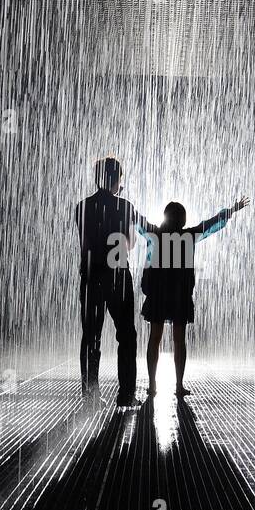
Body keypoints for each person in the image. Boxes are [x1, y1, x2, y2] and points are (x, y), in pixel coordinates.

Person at [141, 196, 251, 397]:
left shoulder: (155, 234)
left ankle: (152, 384)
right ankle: (179, 385)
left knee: (154, 338)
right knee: (179, 340)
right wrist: (232, 209)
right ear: (182, 220)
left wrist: (123, 207)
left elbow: (138, 222)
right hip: (179, 294)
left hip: (158, 293)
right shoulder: (189, 236)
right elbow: (209, 223)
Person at [72, 157, 158, 407]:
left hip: (91, 276)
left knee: (91, 337)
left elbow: (87, 243)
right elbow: (150, 231)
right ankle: (126, 394)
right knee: (127, 336)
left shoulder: (82, 206)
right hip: (118, 275)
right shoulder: (126, 207)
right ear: (118, 179)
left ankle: (90, 395)